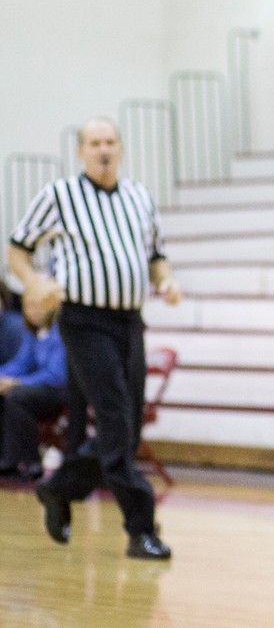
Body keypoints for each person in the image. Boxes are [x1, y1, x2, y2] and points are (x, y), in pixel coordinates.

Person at [7, 117, 182, 559]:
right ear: (81, 151)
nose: (103, 149)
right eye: (94, 143)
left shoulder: (140, 196)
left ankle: (59, 488)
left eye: (110, 142)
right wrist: (33, 283)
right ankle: (141, 527)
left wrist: (168, 280)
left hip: (130, 321)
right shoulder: (59, 195)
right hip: (83, 321)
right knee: (116, 415)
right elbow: (18, 248)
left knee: (128, 423)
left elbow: (157, 256)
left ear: (121, 148)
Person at [0, 289, 68, 481]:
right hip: (38, 388)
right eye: (29, 306)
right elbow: (22, 363)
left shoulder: (60, 331)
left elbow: (56, 374)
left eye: (39, 305)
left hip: (60, 390)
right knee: (8, 394)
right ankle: (7, 459)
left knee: (17, 396)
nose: (34, 311)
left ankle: (30, 462)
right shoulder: (34, 332)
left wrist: (17, 382)